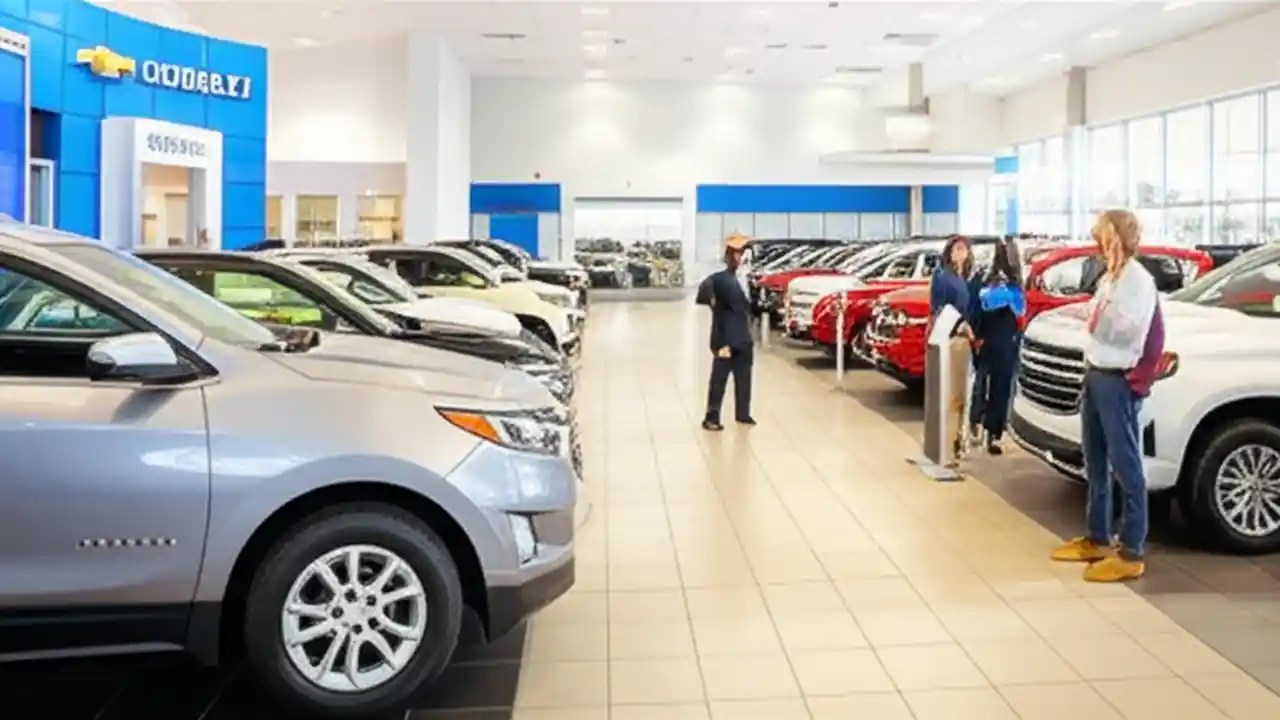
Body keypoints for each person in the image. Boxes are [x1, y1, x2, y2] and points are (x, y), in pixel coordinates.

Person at [1051, 209, 1162, 583]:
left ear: (1119, 236)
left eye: (1103, 235)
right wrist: (1098, 315)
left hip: (1118, 381)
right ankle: (1098, 536)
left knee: (1126, 465)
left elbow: (1124, 332)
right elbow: (1096, 319)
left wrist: (1100, 317)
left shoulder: (1137, 281)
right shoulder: (1111, 279)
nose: (1098, 242)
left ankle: (1131, 549)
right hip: (1096, 375)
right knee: (1094, 460)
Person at [968, 239, 1025, 455]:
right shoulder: (1013, 284)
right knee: (1000, 387)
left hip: (987, 338)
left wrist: (977, 335)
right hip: (1005, 339)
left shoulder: (984, 279)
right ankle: (993, 433)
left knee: (982, 382)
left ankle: (976, 423)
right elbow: (1019, 313)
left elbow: (975, 307)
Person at [697, 233, 756, 431]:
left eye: (745, 252)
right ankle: (711, 417)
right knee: (719, 379)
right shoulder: (719, 279)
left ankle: (743, 413)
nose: (743, 257)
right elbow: (703, 295)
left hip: (744, 338)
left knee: (744, 378)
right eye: (739, 253)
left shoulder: (747, 280)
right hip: (725, 338)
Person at [929, 235, 976, 458]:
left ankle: (958, 440)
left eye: (964, 249)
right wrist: (960, 325)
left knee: (961, 395)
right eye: (956, 249)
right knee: (951, 394)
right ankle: (946, 446)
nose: (960, 253)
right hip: (951, 338)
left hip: (964, 340)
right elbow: (939, 310)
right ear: (949, 252)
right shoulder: (942, 277)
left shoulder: (964, 278)